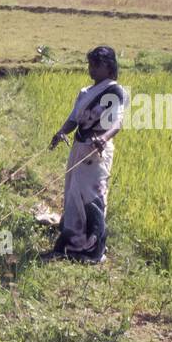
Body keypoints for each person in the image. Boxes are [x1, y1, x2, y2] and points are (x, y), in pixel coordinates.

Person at [45, 46, 128, 264]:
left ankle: (92, 249)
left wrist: (104, 137)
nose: (90, 69)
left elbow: (118, 122)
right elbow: (74, 119)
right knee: (73, 193)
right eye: (89, 64)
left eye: (95, 65)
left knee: (91, 197)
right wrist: (61, 132)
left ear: (108, 67)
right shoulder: (85, 92)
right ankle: (72, 243)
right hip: (78, 147)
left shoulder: (115, 92)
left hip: (96, 152)